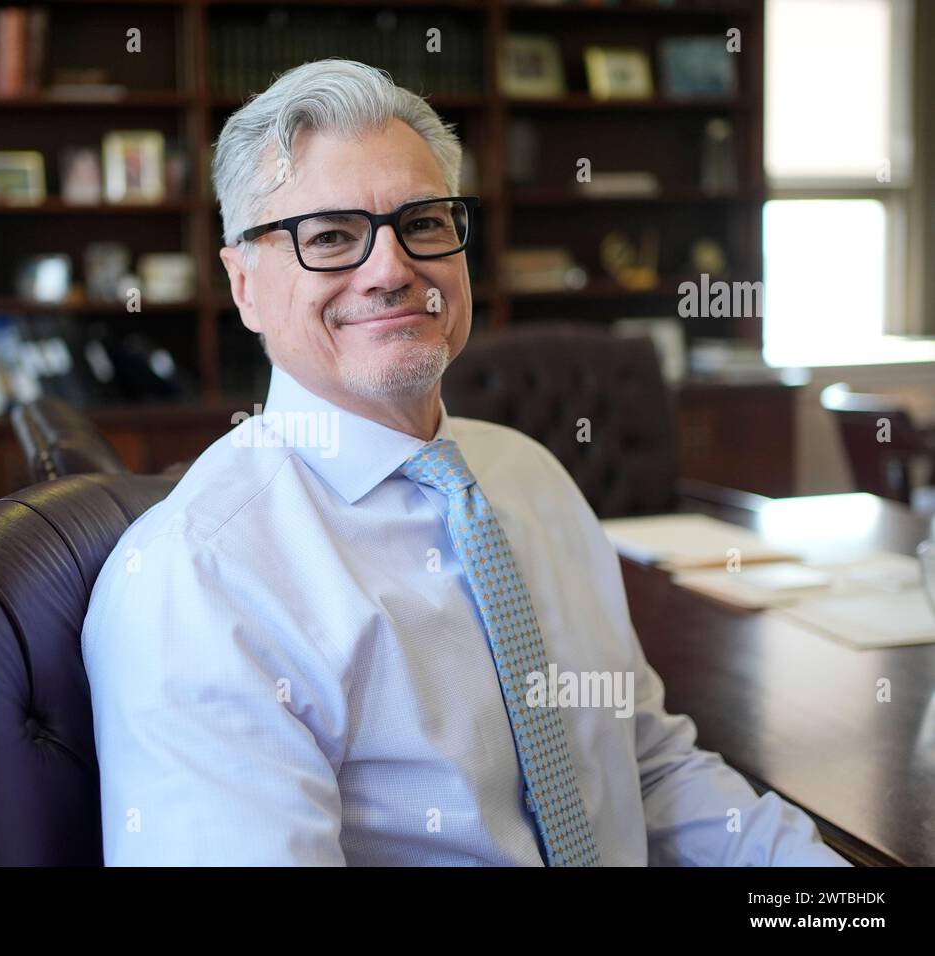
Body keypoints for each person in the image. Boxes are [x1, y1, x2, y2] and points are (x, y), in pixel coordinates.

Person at [81, 58, 849, 866]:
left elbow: (648, 766)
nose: (391, 269)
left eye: (423, 223)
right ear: (243, 283)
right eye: (332, 236)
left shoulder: (531, 477)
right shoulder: (200, 583)